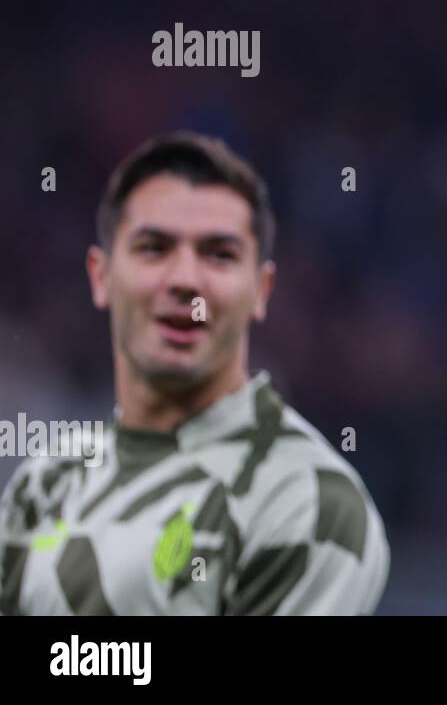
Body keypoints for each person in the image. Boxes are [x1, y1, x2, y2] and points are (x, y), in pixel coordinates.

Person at [0, 131, 389, 614]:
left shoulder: (306, 499)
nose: (185, 280)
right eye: (154, 248)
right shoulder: (48, 480)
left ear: (261, 289)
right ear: (100, 276)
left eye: (218, 254)